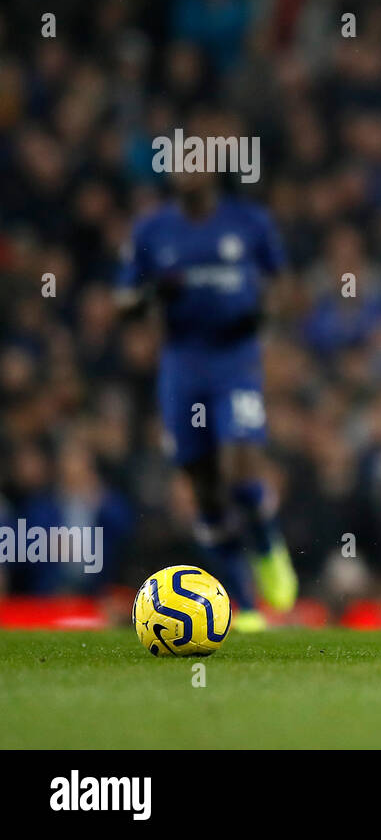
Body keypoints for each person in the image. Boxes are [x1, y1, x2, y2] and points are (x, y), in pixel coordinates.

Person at [115, 160, 296, 632]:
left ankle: (265, 543)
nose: (186, 172)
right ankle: (244, 604)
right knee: (205, 489)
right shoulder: (153, 230)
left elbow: (282, 283)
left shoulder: (250, 222)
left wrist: (265, 317)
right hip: (182, 363)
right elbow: (122, 300)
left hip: (234, 361)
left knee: (239, 466)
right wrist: (153, 292)